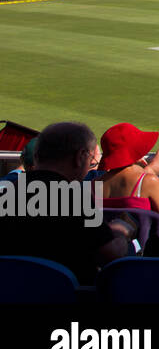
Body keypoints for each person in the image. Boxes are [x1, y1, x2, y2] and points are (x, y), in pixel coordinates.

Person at [0, 122, 131, 284]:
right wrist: (121, 232)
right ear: (80, 157)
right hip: (63, 294)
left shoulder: (5, 193)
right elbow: (112, 255)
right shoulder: (75, 200)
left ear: (37, 156)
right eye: (91, 160)